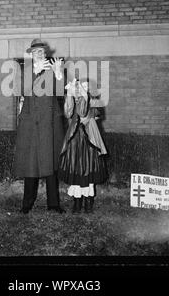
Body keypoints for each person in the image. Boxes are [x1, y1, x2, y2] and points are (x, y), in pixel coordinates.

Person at [13, 39, 66, 214]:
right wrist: (34, 72)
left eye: (42, 52)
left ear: (45, 54)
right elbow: (21, 91)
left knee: (50, 164)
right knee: (31, 165)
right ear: (31, 55)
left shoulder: (52, 70)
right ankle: (27, 204)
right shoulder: (25, 71)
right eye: (36, 52)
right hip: (31, 125)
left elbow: (60, 92)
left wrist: (59, 75)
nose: (40, 54)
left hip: (48, 124)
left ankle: (54, 204)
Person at [58, 78, 108, 213]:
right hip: (74, 138)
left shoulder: (91, 101)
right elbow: (68, 113)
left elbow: (83, 113)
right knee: (76, 168)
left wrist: (84, 97)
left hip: (89, 139)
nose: (79, 90)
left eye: (82, 88)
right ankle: (77, 202)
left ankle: (88, 202)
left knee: (88, 167)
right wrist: (69, 95)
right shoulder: (74, 99)